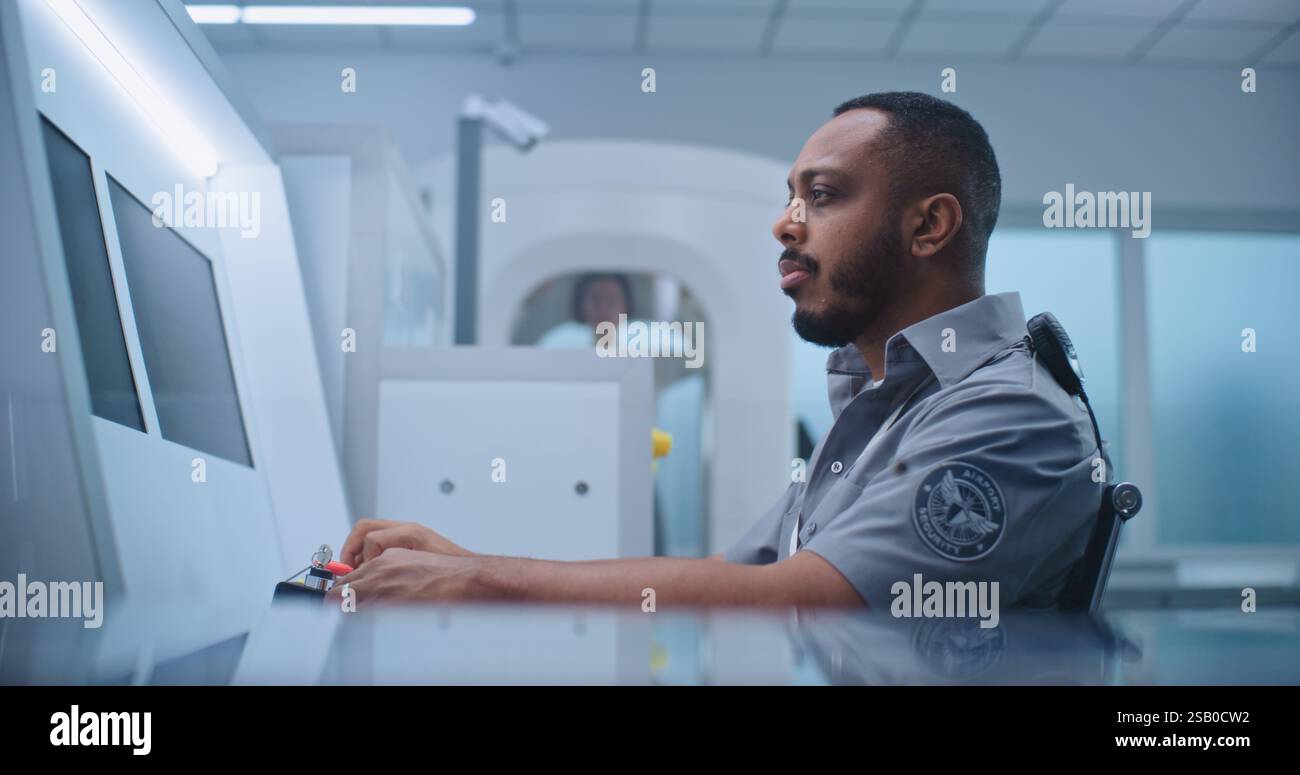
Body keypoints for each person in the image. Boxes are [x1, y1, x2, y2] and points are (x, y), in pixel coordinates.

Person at [327, 92, 1103, 610]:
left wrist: (478, 579)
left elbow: (807, 593)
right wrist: (468, 558)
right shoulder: (882, 403)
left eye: (823, 196)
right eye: (790, 196)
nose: (786, 223)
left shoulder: (1010, 414)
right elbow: (742, 577)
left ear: (929, 227)